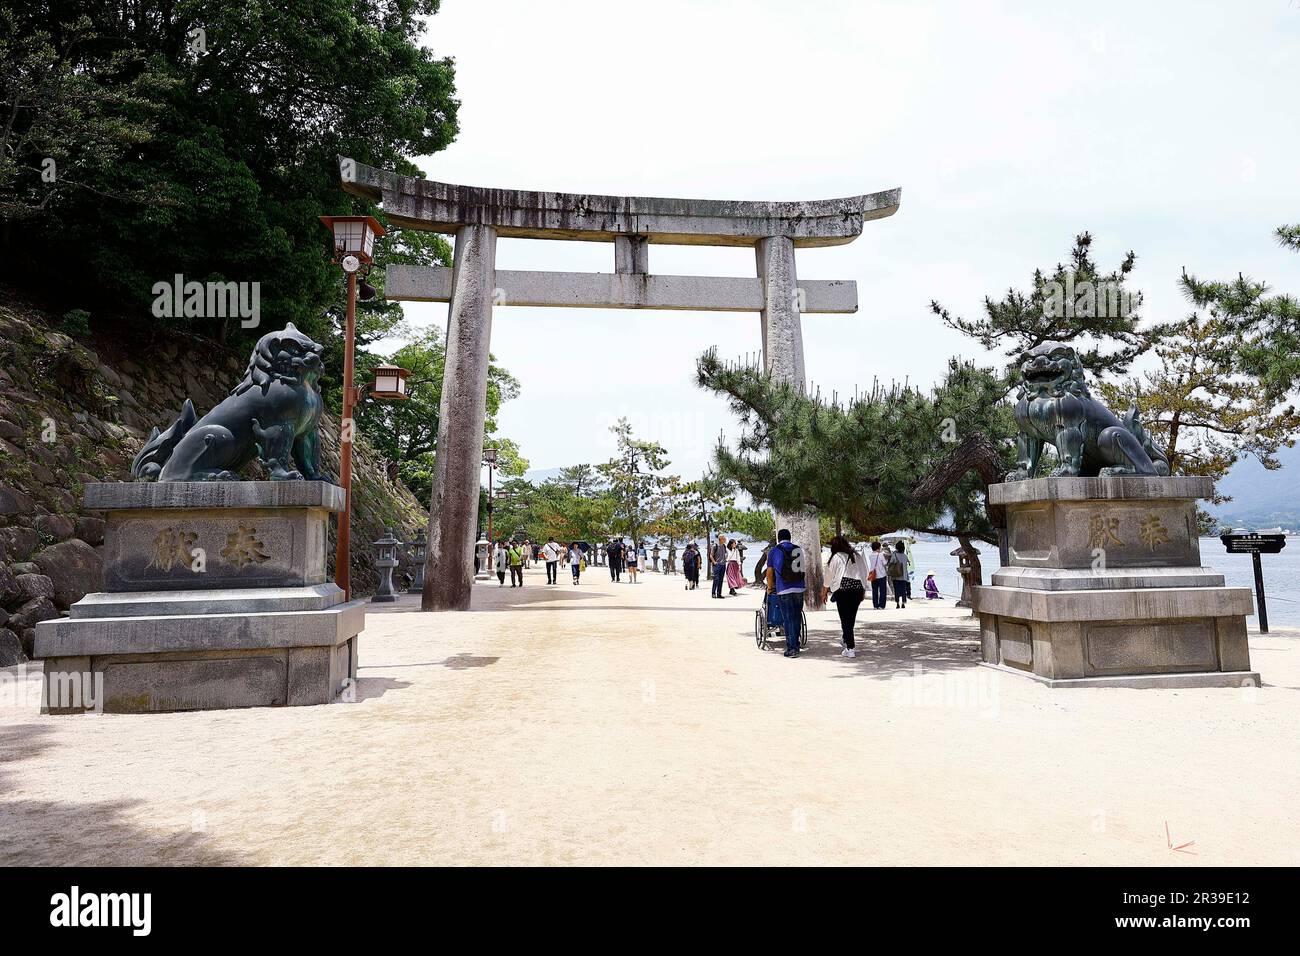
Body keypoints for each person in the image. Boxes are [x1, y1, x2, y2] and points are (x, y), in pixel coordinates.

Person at [822, 536, 867, 658]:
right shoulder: (857, 555)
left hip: (843, 590)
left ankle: (850, 647)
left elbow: (829, 575)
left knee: (845, 620)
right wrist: (863, 590)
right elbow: (864, 572)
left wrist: (824, 591)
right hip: (857, 589)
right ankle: (846, 640)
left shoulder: (837, 557)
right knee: (850, 619)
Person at [765, 528, 806, 657]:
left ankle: (792, 648)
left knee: (788, 618)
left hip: (784, 588)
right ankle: (797, 644)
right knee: (797, 616)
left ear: (779, 538)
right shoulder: (798, 549)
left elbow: (770, 572)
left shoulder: (774, 551)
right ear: (790, 537)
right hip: (799, 587)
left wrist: (770, 587)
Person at [868, 541, 889, 610]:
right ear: (878, 548)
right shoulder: (880, 555)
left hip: (873, 575)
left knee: (875, 591)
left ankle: (875, 605)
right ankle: (881, 605)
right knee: (882, 591)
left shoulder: (870, 555)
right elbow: (885, 563)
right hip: (881, 574)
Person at [887, 540, 909, 608]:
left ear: (897, 547)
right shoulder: (905, 556)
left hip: (896, 575)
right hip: (904, 576)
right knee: (903, 590)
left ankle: (897, 603)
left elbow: (891, 562)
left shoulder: (894, 555)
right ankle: (903, 603)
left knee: (896, 589)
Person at [710, 533, 728, 599]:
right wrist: (714, 562)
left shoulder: (724, 546)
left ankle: (719, 594)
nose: (725, 539)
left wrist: (725, 558)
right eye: (724, 538)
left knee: (721, 580)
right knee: (716, 579)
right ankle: (713, 593)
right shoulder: (715, 546)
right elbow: (711, 555)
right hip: (717, 565)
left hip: (723, 565)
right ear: (720, 539)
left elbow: (725, 553)